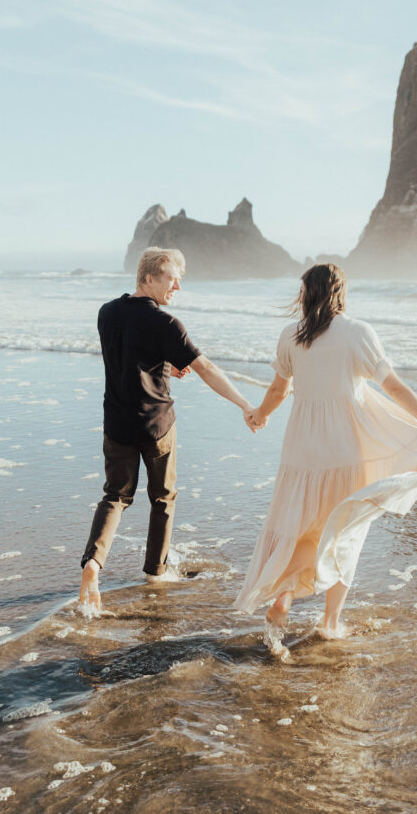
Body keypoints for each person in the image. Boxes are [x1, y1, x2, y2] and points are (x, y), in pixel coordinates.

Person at [235, 262, 417, 658]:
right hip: (345, 450)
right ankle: (329, 623)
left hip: (300, 451)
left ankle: (286, 593)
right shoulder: (358, 333)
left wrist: (260, 414)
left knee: (298, 526)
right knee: (345, 530)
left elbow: (278, 389)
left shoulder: (291, 336)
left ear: (306, 293)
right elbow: (393, 387)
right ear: (340, 293)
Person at [78, 247, 256, 616]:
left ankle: (92, 565)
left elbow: (127, 355)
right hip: (156, 425)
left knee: (115, 496)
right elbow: (205, 368)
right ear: (148, 278)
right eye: (171, 278)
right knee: (162, 498)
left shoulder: (107, 313)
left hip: (117, 423)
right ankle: (156, 572)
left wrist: (164, 365)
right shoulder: (166, 324)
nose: (177, 285)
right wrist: (246, 405)